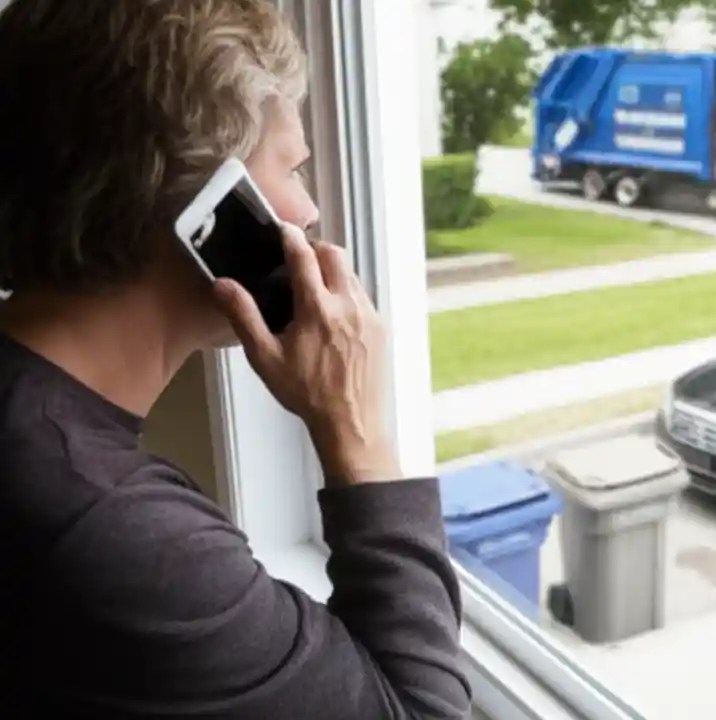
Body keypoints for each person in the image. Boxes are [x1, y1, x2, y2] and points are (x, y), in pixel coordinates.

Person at [0, 1, 471, 718]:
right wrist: (358, 435)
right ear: (204, 205)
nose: (310, 213)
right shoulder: (114, 530)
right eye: (294, 166)